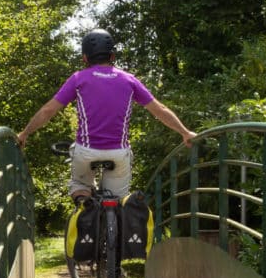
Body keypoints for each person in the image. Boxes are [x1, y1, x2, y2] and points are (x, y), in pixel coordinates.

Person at [16, 28, 195, 200]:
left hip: (86, 151)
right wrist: (185, 132)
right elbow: (160, 110)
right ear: (112, 56)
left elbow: (48, 110)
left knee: (80, 185)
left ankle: (83, 203)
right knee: (117, 201)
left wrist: (25, 133)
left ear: (85, 58)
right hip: (118, 152)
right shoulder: (129, 80)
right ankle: (116, 218)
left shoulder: (78, 78)